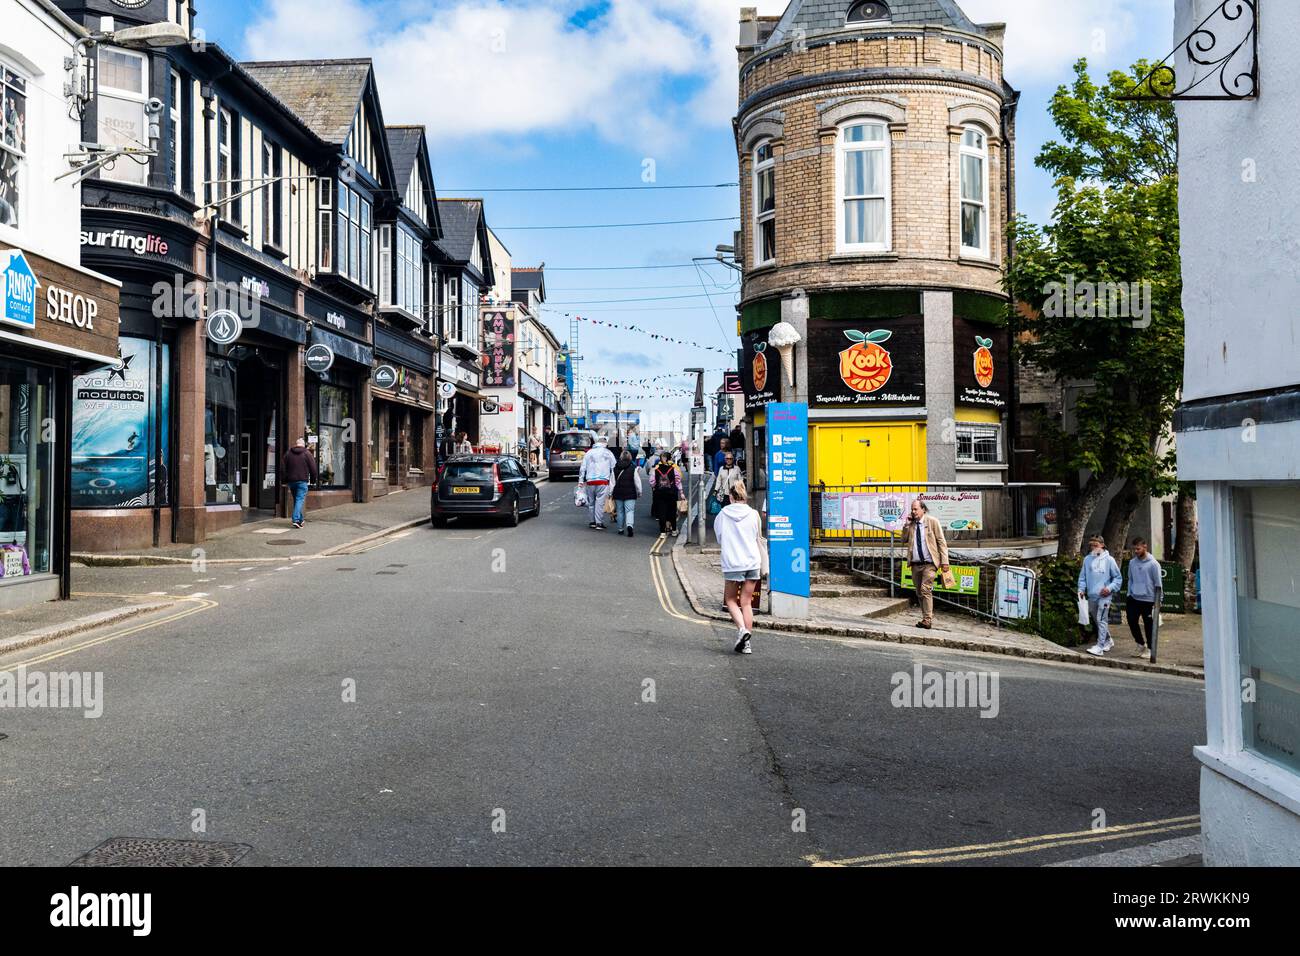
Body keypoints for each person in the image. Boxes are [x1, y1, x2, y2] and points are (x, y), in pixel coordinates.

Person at [715, 480, 762, 655]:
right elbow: (757, 535)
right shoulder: (754, 514)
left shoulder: (723, 514)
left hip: (733, 562)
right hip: (752, 562)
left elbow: (719, 538)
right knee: (747, 602)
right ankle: (747, 643)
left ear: (730, 497)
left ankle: (742, 630)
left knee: (730, 600)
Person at [903, 498, 951, 630]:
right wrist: (906, 524)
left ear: (923, 509)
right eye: (912, 509)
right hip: (915, 564)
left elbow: (941, 542)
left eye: (915, 509)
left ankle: (928, 620)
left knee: (925, 589)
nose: (913, 512)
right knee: (919, 592)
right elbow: (903, 539)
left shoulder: (933, 522)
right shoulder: (911, 524)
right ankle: (925, 618)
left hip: (930, 563)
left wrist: (945, 561)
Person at [1077, 534, 1123, 656]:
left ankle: (1100, 646)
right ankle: (1108, 640)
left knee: (1101, 619)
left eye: (1095, 545)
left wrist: (1109, 588)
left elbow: (1118, 578)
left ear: (1102, 545)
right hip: (1092, 595)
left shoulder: (1109, 560)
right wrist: (1081, 589)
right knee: (1097, 620)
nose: (1093, 547)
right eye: (1091, 545)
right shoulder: (1087, 559)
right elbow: (1083, 577)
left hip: (1105, 596)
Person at [1125, 537, 1163, 660]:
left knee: (1149, 625)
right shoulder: (1132, 562)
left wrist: (1159, 601)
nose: (1135, 551)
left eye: (1138, 548)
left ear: (1145, 547)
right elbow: (1130, 579)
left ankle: (1151, 649)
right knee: (1131, 621)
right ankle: (1140, 644)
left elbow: (1158, 584)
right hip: (1134, 598)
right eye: (1134, 549)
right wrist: (1129, 594)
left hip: (1149, 600)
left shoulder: (1153, 564)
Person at [578, 434, 617, 530]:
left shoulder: (589, 453)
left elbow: (582, 468)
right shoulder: (608, 453)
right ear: (604, 443)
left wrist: (581, 481)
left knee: (591, 503)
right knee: (600, 503)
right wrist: (613, 484)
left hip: (590, 481)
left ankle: (592, 522)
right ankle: (599, 523)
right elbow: (614, 467)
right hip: (603, 481)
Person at [280, 438, 318, 530]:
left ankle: (300, 519)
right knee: (299, 500)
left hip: (291, 482)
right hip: (302, 481)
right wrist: (313, 481)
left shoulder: (288, 453)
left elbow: (283, 468)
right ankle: (296, 520)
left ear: (296, 444)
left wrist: (284, 481)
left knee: (297, 500)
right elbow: (313, 469)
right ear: (303, 445)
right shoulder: (307, 453)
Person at [650, 454, 685, 535]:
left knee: (661, 512)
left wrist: (655, 487)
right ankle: (674, 530)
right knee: (672, 512)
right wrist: (681, 492)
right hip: (671, 493)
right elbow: (678, 480)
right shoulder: (673, 468)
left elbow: (651, 481)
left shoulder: (656, 469)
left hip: (660, 493)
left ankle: (662, 532)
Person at [611, 450, 643, 538]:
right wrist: (639, 492)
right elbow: (637, 482)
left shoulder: (615, 468)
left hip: (618, 493)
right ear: (630, 457)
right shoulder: (633, 468)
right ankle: (629, 526)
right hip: (630, 493)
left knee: (620, 511)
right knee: (629, 511)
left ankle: (620, 529)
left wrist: (610, 493)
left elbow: (612, 482)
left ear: (621, 457)